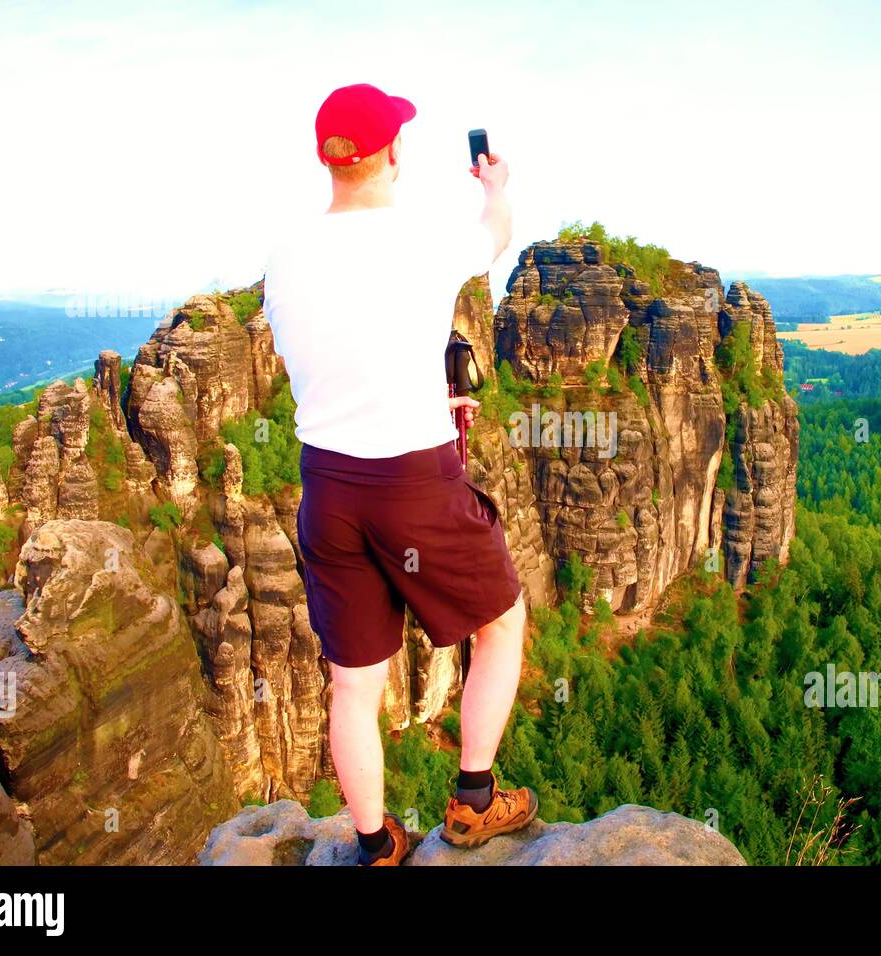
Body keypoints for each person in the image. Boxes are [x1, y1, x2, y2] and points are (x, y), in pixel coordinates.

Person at [263, 83, 537, 866]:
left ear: (328, 159)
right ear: (391, 153)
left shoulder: (282, 257)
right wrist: (494, 186)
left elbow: (342, 351)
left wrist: (422, 389)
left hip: (330, 490)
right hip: (415, 482)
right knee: (501, 623)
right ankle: (475, 801)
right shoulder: (422, 239)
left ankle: (377, 845)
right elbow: (497, 233)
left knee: (353, 684)